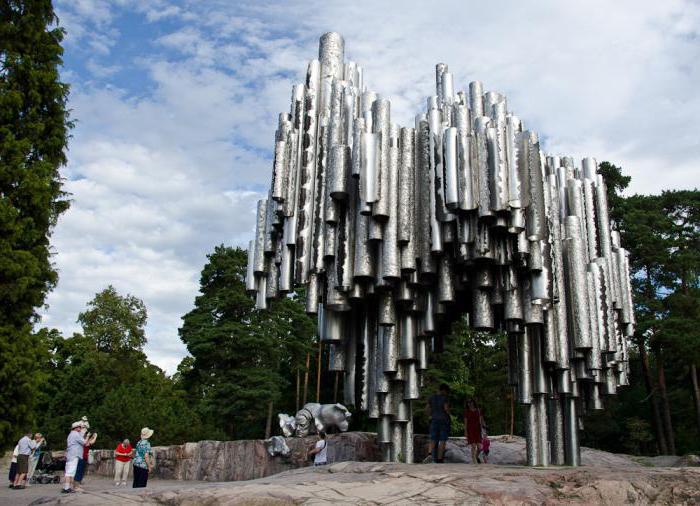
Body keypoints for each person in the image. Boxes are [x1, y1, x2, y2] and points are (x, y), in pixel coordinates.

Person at [427, 383, 451, 463]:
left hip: (434, 419)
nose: (447, 393)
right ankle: (440, 459)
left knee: (433, 438)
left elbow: (427, 408)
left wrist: (430, 415)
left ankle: (430, 455)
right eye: (446, 391)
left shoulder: (431, 398)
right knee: (442, 440)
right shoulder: (445, 398)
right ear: (444, 390)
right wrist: (449, 413)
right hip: (443, 420)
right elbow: (446, 409)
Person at [63, 421, 86, 494]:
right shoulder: (76, 434)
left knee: (69, 472)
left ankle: (67, 487)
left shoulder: (71, 434)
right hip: (74, 455)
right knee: (70, 472)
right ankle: (67, 488)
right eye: (79, 427)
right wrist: (88, 436)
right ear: (76, 428)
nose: (80, 428)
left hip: (70, 455)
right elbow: (84, 442)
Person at [464, 398, 485, 464]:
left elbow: (482, 420)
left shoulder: (478, 410)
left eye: (471, 402)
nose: (470, 404)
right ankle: (474, 460)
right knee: (473, 445)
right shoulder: (466, 412)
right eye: (468, 403)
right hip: (470, 430)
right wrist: (465, 431)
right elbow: (465, 423)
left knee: (480, 447)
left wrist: (484, 430)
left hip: (478, 430)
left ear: (473, 403)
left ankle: (476, 456)